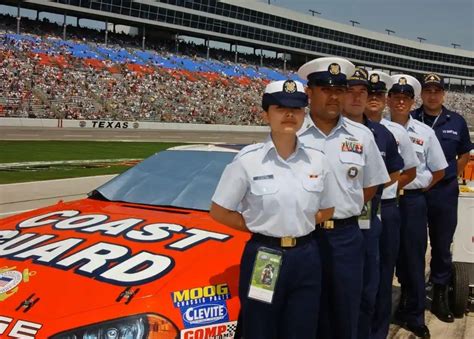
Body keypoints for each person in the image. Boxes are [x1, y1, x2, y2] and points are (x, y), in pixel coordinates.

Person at [210, 79, 336, 339]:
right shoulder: (248, 161)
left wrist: (299, 222)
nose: (289, 114)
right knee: (260, 328)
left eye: (297, 109)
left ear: (304, 114)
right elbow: (219, 211)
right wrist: (261, 226)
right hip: (264, 254)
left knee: (302, 329)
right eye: (280, 108)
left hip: (306, 255)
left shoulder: (318, 161)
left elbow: (328, 209)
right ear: (266, 114)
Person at [297, 57, 390, 339]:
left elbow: (370, 186)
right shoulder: (292, 134)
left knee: (345, 311)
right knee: (304, 311)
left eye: (339, 89)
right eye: (325, 89)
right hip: (303, 236)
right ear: (310, 92)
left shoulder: (362, 136)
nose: (334, 96)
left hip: (345, 237)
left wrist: (343, 208)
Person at [342, 68, 404, 339]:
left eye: (362, 92)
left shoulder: (380, 134)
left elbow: (395, 172)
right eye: (351, 92)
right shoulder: (327, 132)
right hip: (332, 225)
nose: (357, 98)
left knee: (370, 288)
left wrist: (365, 194)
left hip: (369, 219)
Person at [388, 74, 448, 338]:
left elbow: (439, 170)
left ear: (413, 102)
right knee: (382, 259)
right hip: (384, 202)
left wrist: (418, 187)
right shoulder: (374, 128)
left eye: (406, 98)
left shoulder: (425, 133)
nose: (401, 101)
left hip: (412, 202)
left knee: (413, 259)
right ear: (389, 99)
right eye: (396, 97)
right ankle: (380, 311)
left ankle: (414, 314)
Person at [411, 72, 473, 322]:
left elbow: (464, 154)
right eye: (428, 90)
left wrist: (449, 176)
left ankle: (439, 295)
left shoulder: (456, 121)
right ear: (422, 94)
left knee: (441, 245)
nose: (432, 95)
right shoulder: (411, 118)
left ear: (443, 94)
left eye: (437, 91)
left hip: (444, 191)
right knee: (412, 246)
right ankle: (410, 294)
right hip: (415, 191)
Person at [364, 70, 419, 339]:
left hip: (385, 207)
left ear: (385, 100)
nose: (373, 99)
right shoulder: (345, 128)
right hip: (353, 213)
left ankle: (378, 332)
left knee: (384, 275)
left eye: (378, 94)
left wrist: (382, 190)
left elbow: (409, 171)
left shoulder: (396, 132)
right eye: (369, 93)